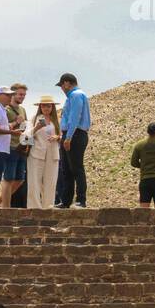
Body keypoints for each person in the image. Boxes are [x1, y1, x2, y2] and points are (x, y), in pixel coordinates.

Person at [55, 73, 91, 209]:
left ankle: (81, 200)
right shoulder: (73, 96)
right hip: (70, 134)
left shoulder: (76, 95)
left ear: (66, 83)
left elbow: (75, 117)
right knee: (66, 170)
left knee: (76, 168)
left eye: (62, 86)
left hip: (75, 134)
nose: (62, 89)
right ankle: (66, 200)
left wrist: (68, 137)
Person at [26, 96, 61, 209]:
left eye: (49, 105)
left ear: (52, 107)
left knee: (51, 182)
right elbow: (25, 137)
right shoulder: (33, 120)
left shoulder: (56, 121)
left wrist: (57, 137)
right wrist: (36, 128)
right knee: (34, 181)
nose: (46, 108)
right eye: (44, 105)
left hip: (52, 153)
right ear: (40, 107)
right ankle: (34, 207)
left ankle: (48, 206)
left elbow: (62, 135)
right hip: (36, 153)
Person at [0, 84, 29, 209]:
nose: (22, 97)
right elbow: (2, 127)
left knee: (20, 179)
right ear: (13, 94)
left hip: (21, 146)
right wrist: (16, 122)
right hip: (10, 146)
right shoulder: (6, 110)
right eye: (20, 94)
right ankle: (6, 207)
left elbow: (25, 127)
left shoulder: (22, 109)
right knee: (8, 178)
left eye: (24, 95)